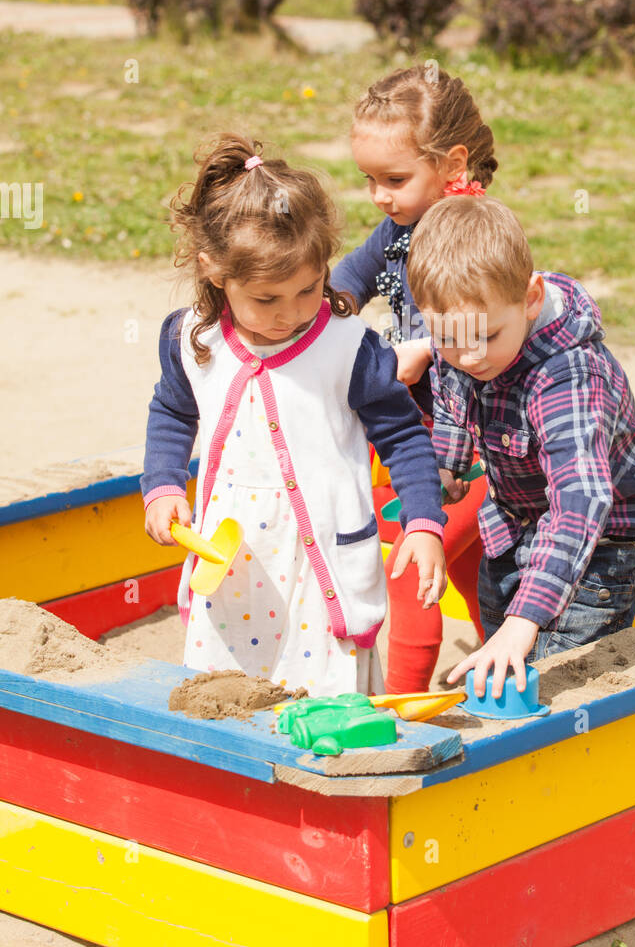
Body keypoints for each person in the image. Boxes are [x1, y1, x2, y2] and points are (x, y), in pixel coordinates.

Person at [141, 133, 447, 696]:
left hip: (318, 573)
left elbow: (404, 436)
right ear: (214, 270)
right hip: (232, 568)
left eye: (309, 289)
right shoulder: (193, 339)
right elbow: (170, 410)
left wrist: (423, 522)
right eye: (266, 299)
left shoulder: (347, 348)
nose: (291, 314)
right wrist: (162, 485)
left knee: (325, 706)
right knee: (226, 699)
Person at [406, 194, 635, 702]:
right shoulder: (465, 339)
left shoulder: (567, 373)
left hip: (597, 553)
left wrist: (525, 621)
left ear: (530, 297)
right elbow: (455, 400)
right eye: (447, 340)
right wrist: (444, 472)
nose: (469, 356)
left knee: (559, 689)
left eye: (487, 336)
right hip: (512, 525)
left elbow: (581, 501)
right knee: (503, 670)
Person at [330, 65, 496, 692]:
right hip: (423, 435)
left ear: (453, 163)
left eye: (395, 180)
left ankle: (399, 704)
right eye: (368, 180)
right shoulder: (398, 230)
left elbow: (487, 325)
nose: (379, 194)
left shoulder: (475, 234)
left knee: (411, 562)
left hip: (476, 441)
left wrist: (422, 345)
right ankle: (503, 657)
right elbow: (347, 279)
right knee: (473, 563)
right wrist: (319, 318)